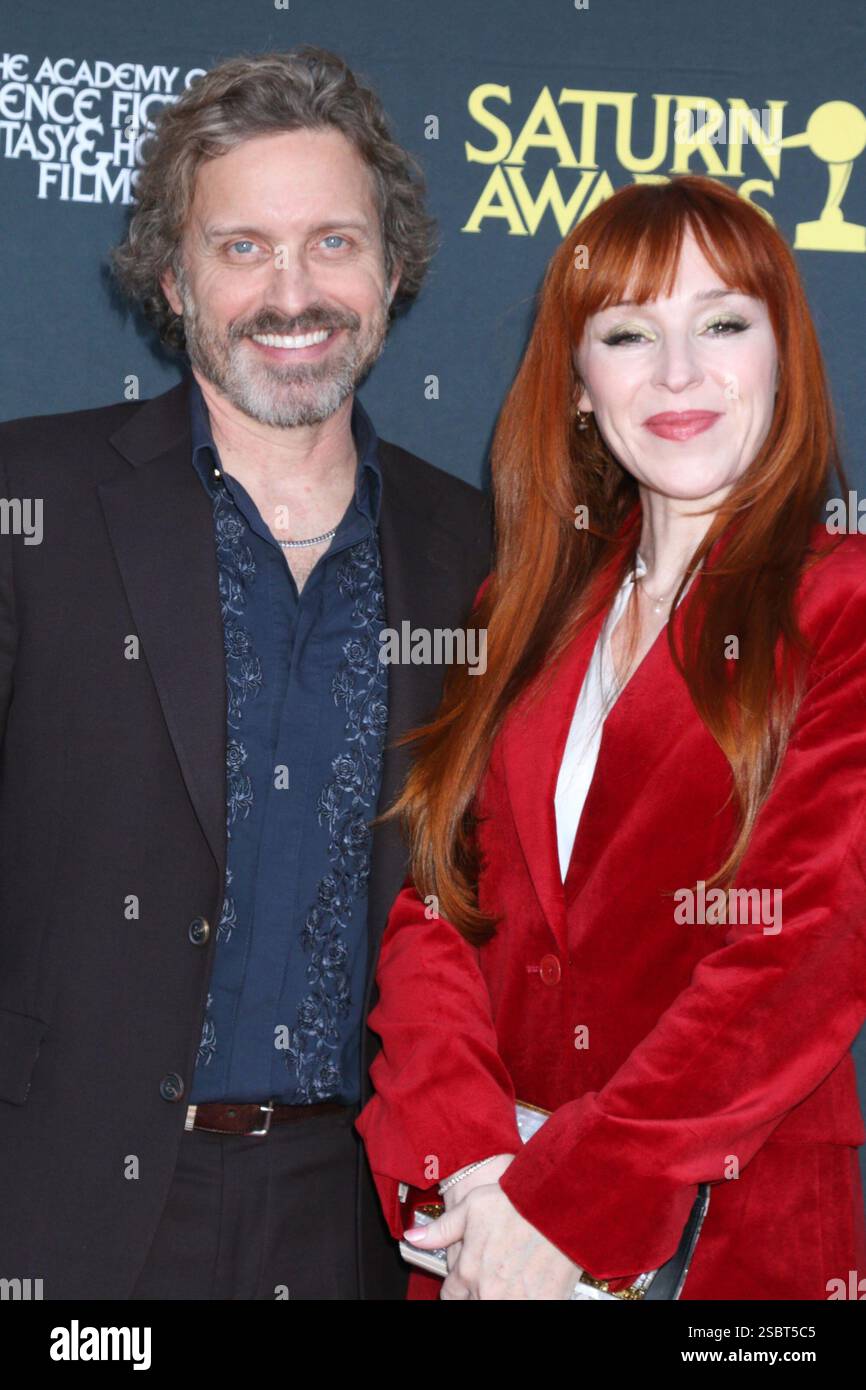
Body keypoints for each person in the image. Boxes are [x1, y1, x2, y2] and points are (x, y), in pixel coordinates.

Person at [0, 46, 491, 1300]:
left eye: (333, 242)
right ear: (172, 278)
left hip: (361, 1226)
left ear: (391, 270)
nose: (292, 290)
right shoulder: (30, 501)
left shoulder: (475, 551)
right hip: (61, 1210)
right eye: (242, 248)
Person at [355, 173, 866, 1300]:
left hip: (718, 1237)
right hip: (485, 1236)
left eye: (722, 323)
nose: (677, 373)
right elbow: (438, 895)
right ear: (580, 383)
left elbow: (803, 952)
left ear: (782, 354)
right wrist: (465, 1162)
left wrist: (568, 1198)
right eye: (628, 333)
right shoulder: (520, 607)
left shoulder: (844, 607)